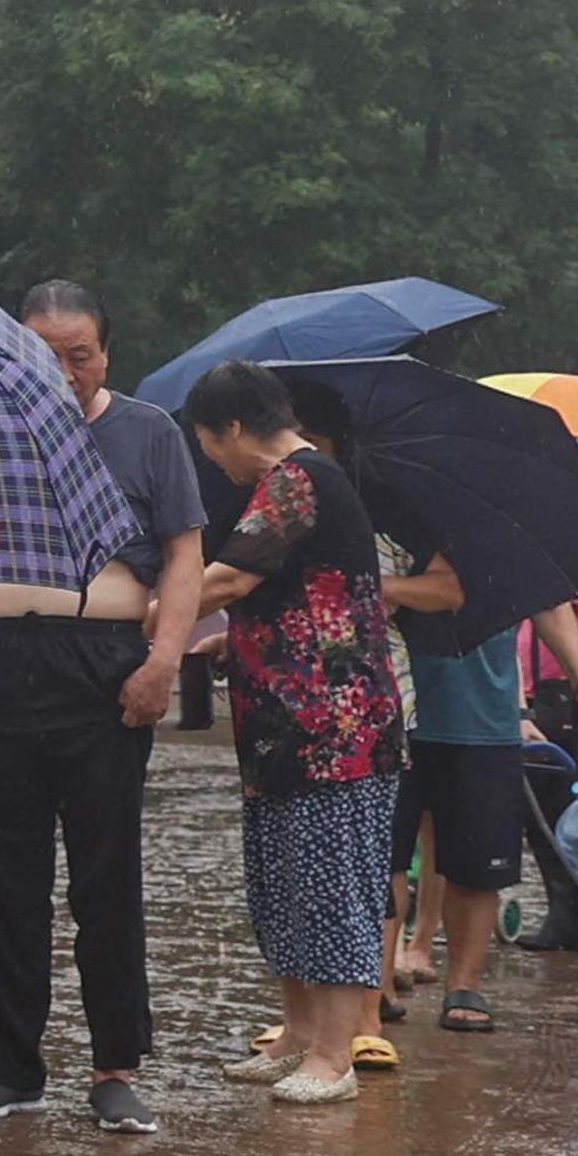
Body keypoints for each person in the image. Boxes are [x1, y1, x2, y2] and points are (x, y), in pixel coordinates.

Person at [0, 283, 200, 1133]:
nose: (59, 366)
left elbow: (183, 556)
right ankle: (6, 1065)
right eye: (41, 349)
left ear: (106, 354)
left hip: (104, 668)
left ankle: (116, 1063)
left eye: (77, 351)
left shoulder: (146, 432)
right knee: (3, 879)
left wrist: (163, 660)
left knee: (106, 875)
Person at [174, 364, 400, 1103]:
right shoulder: (295, 485)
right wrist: (224, 640)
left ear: (233, 429)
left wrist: (147, 612)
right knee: (282, 886)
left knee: (331, 886)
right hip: (281, 726)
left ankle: (333, 1056)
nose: (214, 461)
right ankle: (297, 1036)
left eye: (211, 445)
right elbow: (286, 593)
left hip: (333, 731)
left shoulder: (299, 479)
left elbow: (226, 580)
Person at [385, 547, 578, 1037]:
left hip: (484, 713)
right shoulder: (382, 502)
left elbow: (548, 598)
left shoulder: (501, 522)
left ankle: (464, 984)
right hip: (392, 707)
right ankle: (376, 986)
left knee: (478, 864)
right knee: (385, 858)